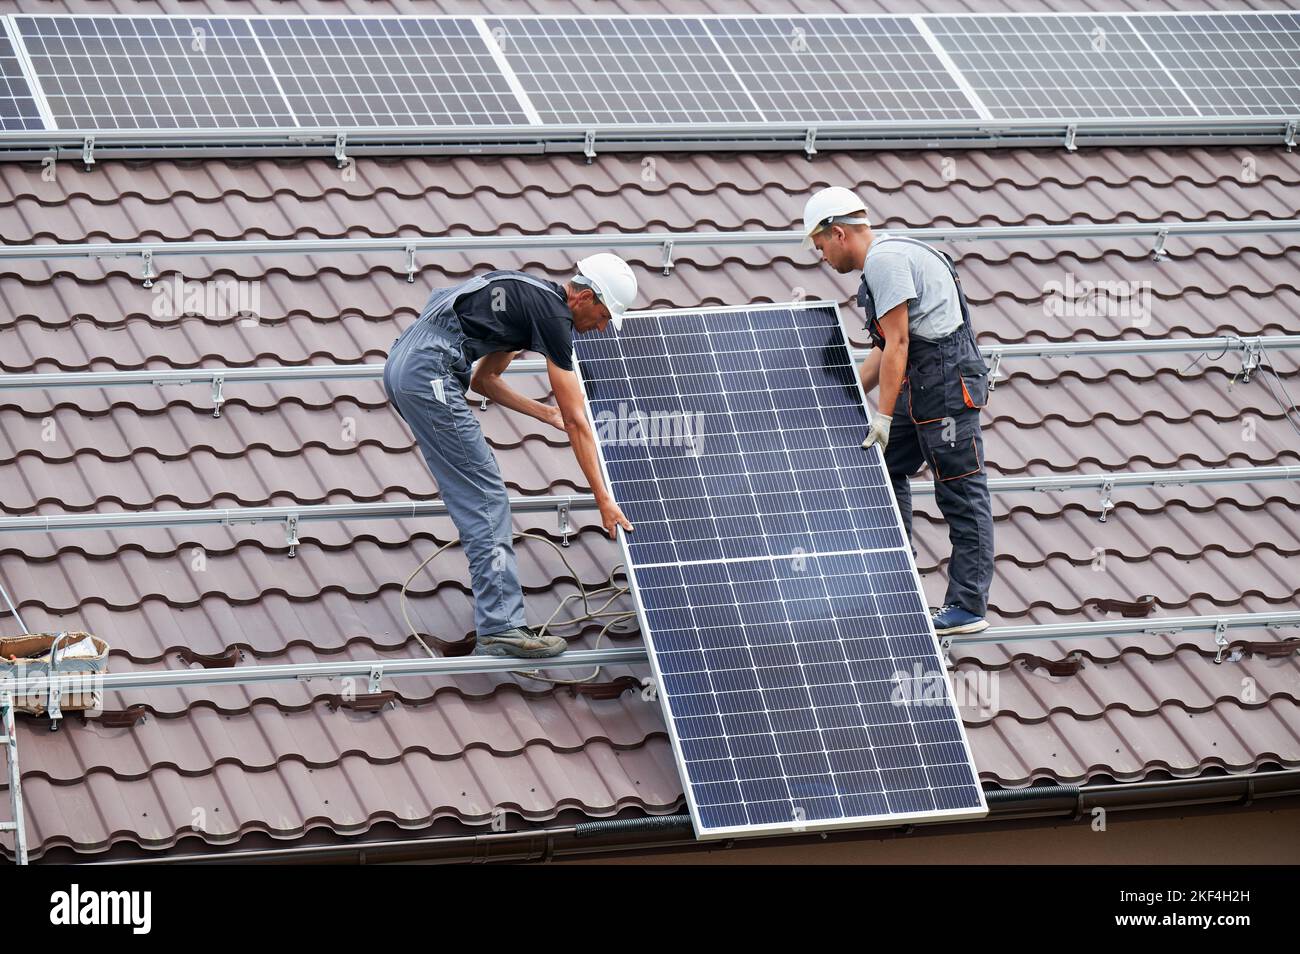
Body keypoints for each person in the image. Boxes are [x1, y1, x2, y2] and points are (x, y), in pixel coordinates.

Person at [383, 254, 637, 658]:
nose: (603, 327)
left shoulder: (529, 299)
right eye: (605, 316)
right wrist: (603, 499)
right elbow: (577, 421)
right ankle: (500, 626)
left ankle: (497, 620)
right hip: (429, 372)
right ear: (585, 298)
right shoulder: (555, 318)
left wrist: (544, 413)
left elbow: (484, 380)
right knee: (485, 496)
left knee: (477, 491)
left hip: (406, 363)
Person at [802, 187, 994, 636]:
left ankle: (968, 606)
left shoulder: (885, 262)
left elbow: (900, 345)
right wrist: (837, 393)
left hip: (946, 387)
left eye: (821, 245)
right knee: (884, 465)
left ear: (839, 233)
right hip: (923, 382)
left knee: (961, 492)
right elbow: (887, 347)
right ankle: (898, 574)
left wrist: (884, 416)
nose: (823, 257)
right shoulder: (889, 255)